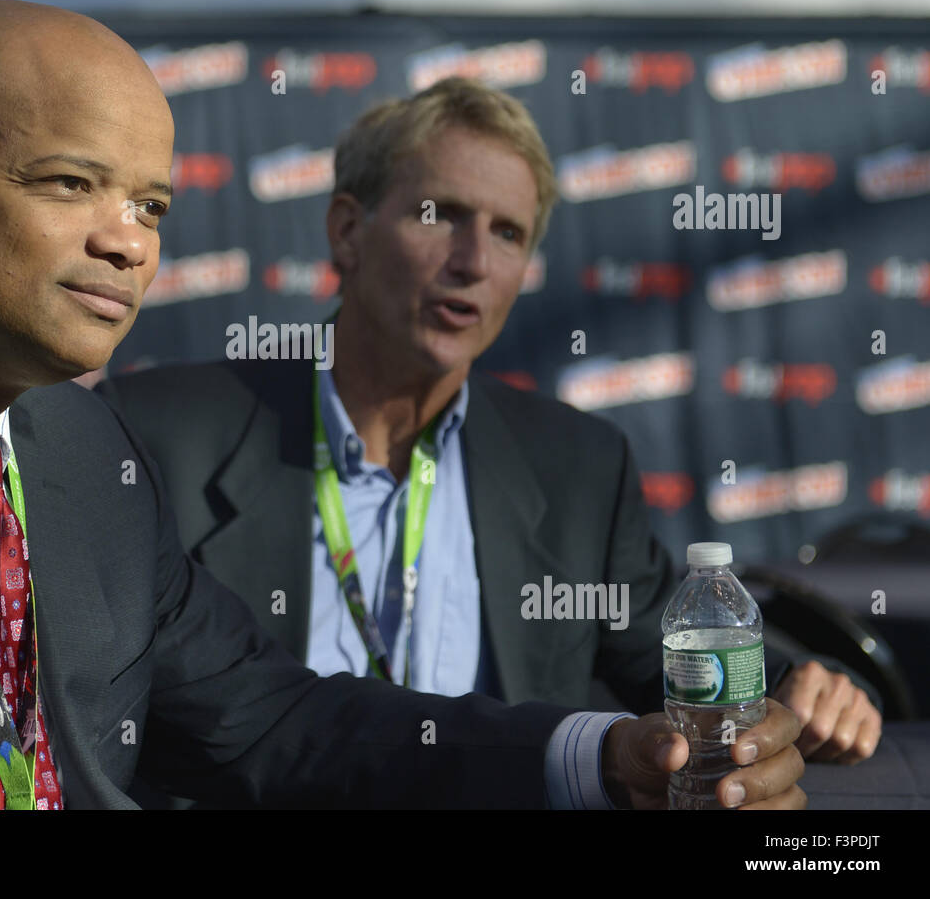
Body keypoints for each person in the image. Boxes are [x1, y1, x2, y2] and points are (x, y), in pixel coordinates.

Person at [0, 0, 805, 810]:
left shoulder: (81, 442)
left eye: (151, 205)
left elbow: (273, 721)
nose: (125, 242)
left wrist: (597, 755)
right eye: (72, 184)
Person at [95, 77, 881, 772]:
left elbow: (669, 654)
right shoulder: (159, 434)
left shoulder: (574, 466)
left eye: (508, 233)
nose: (473, 260)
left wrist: (799, 689)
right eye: (442, 216)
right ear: (346, 231)